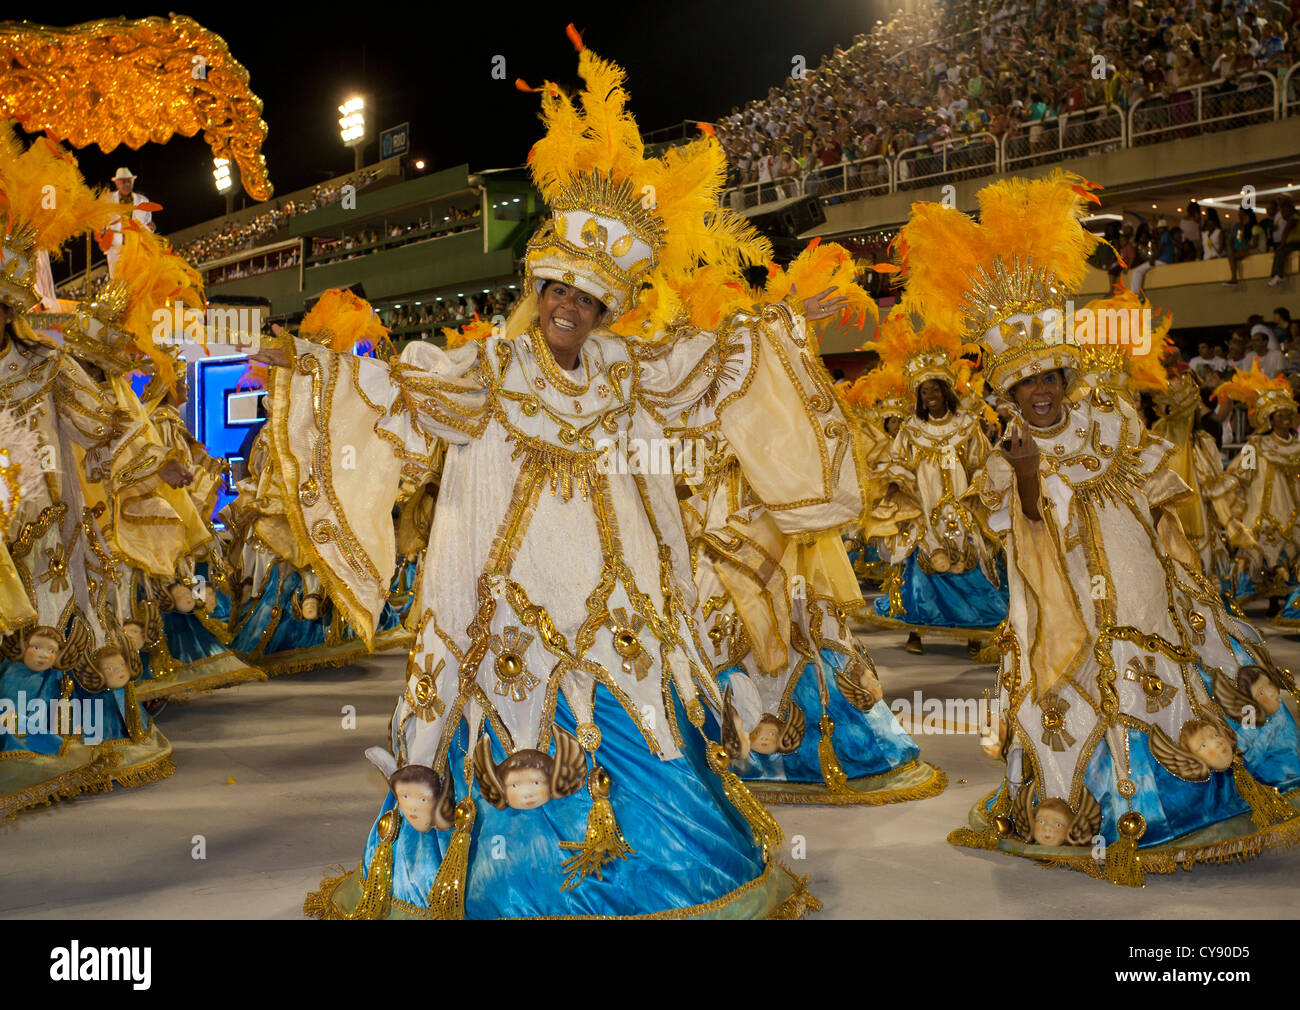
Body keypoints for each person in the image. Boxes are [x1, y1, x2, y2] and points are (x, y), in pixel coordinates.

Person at [260, 32, 862, 920]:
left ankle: (662, 879)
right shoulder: (488, 370)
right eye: (558, 293)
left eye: (586, 300)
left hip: (618, 604)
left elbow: (711, 364)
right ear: (538, 292)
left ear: (602, 310)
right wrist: (312, 371)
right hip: (506, 602)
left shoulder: (627, 370)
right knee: (508, 730)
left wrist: (778, 322)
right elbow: (398, 392)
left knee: (648, 731)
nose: (569, 310)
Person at [899, 170, 1299, 887]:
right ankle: (1088, 806)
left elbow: (1163, 500)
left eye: (1050, 378)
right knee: (1076, 692)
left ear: (1063, 378)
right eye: (1027, 386)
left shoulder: (1113, 422)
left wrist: (1187, 577)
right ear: (1010, 394)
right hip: (1059, 615)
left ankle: (1185, 801)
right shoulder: (1002, 457)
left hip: (1144, 593)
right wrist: (1025, 474)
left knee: (1166, 680)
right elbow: (1011, 535)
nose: (1042, 393)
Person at [862, 306, 1007, 656]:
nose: (930, 397)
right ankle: (916, 631)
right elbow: (898, 463)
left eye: (934, 390)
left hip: (962, 505)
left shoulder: (967, 425)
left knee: (970, 557)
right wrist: (899, 485)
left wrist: (977, 494)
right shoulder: (911, 431)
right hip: (925, 506)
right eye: (924, 392)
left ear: (944, 391)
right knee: (924, 559)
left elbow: (981, 463)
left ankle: (976, 631)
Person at [103, 168, 156, 277]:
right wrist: (101, 240)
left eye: (129, 181)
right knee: (117, 281)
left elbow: (148, 222)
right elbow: (100, 222)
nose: (127, 184)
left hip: (137, 247)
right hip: (115, 246)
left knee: (137, 280)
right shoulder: (107, 200)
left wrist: (151, 228)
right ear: (117, 183)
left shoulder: (143, 200)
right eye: (123, 182)